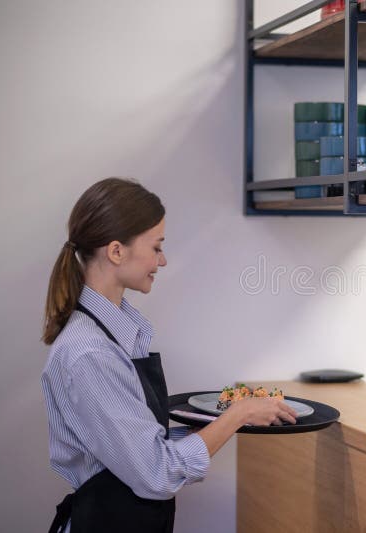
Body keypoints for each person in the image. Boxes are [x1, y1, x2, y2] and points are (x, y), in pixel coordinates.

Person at [41, 177, 297, 533]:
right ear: (116, 251)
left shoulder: (117, 332)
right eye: (156, 247)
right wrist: (237, 415)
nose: (162, 260)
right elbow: (157, 472)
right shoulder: (90, 354)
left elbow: (139, 445)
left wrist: (221, 420)